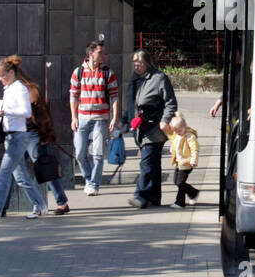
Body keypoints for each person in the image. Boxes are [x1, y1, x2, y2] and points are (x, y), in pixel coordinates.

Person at [0, 58, 47, 220]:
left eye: (2, 75)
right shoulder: (10, 88)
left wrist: (6, 111)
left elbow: (25, 111)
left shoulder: (19, 88)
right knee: (21, 176)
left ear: (11, 73)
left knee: (3, 174)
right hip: (12, 137)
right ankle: (40, 206)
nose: (0, 79)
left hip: (18, 136)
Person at [7, 57, 71, 215]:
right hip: (21, 134)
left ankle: (62, 202)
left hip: (32, 134)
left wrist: (45, 136)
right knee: (11, 168)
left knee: (44, 167)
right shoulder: (13, 89)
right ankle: (1, 205)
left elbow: (42, 116)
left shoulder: (29, 91)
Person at [124, 49, 177, 208]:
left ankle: (140, 195)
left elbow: (171, 103)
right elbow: (130, 105)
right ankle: (154, 199)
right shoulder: (134, 80)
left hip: (155, 129)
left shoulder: (159, 78)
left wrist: (165, 120)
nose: (136, 66)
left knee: (146, 163)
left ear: (147, 63)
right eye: (134, 63)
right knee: (153, 164)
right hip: (140, 129)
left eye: (139, 63)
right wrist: (124, 121)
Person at [70, 41, 119, 196]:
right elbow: (73, 96)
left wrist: (114, 118)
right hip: (82, 117)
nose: (103, 55)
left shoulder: (107, 73)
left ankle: (94, 184)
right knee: (79, 152)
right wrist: (74, 117)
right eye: (100, 52)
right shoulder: (78, 72)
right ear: (91, 54)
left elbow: (115, 97)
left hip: (101, 118)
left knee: (98, 153)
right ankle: (89, 178)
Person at [164, 111, 200, 207]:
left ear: (185, 126)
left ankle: (180, 202)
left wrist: (194, 160)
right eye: (176, 131)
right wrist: (165, 129)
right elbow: (170, 135)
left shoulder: (190, 136)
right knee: (176, 181)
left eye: (179, 131)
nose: (178, 133)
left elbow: (194, 149)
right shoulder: (177, 135)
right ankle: (193, 192)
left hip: (187, 163)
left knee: (180, 183)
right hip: (179, 162)